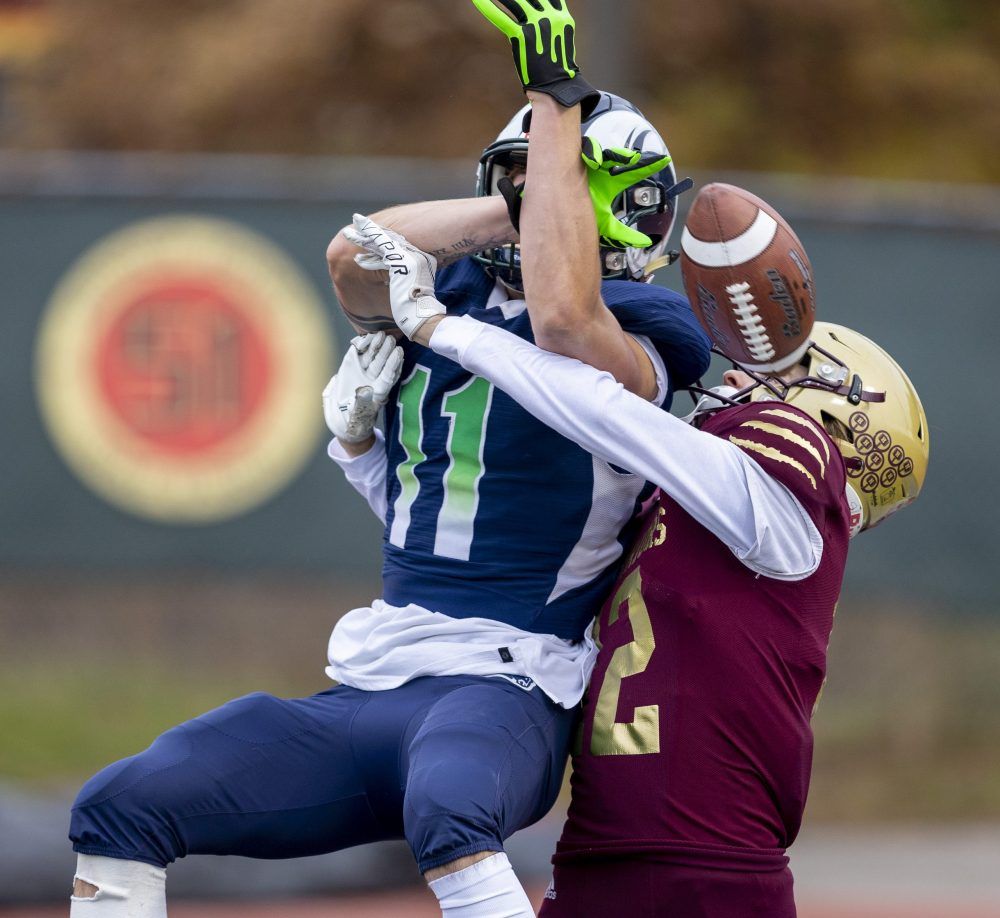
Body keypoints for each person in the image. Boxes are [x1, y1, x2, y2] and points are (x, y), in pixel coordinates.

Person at [66, 4, 711, 914]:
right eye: (513, 181)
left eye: (548, 184)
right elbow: (352, 255)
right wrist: (530, 190)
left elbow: (566, 319)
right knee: (120, 805)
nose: (526, 204)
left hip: (507, 680)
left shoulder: (646, 326)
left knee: (451, 809)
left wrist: (556, 103)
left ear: (621, 207)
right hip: (376, 676)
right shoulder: (444, 288)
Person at [347, 125, 929, 918]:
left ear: (840, 419)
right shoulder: (684, 502)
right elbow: (495, 532)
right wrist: (357, 448)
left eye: (799, 373)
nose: (743, 381)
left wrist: (443, 329)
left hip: (710, 865)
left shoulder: (790, 474)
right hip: (596, 849)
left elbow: (600, 405)